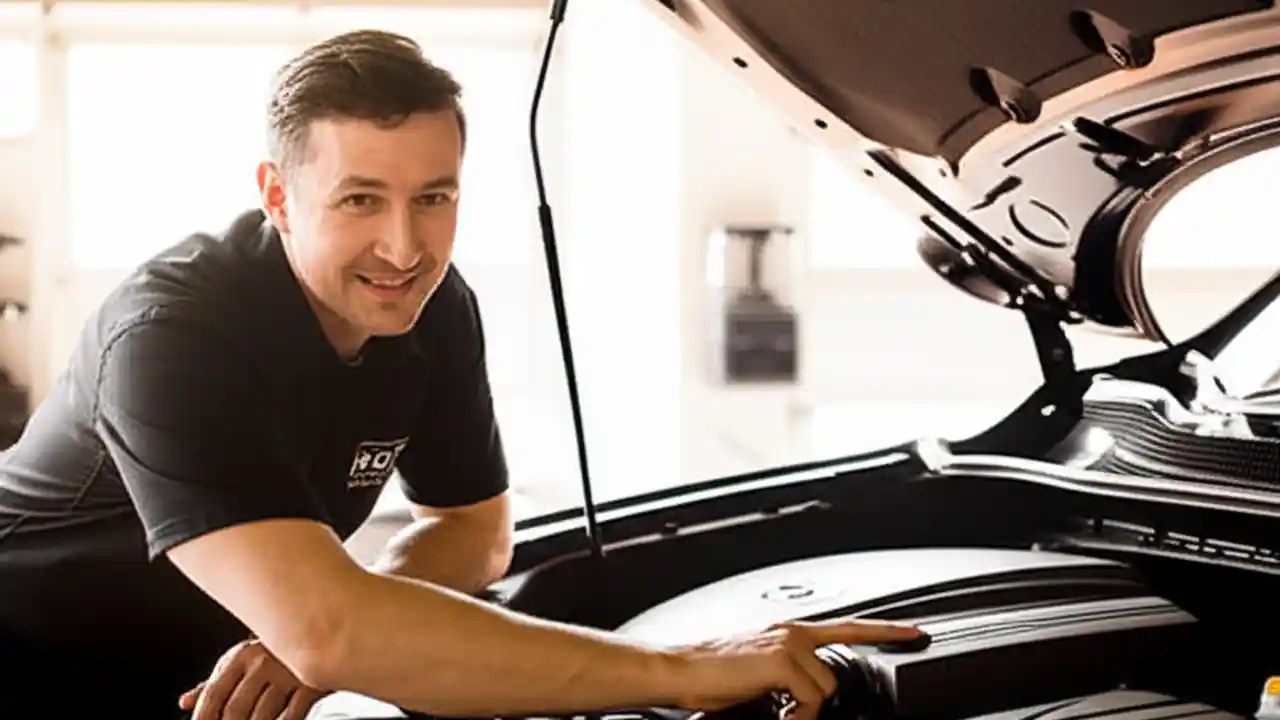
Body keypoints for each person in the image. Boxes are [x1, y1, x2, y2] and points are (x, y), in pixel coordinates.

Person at [0, 29, 922, 720]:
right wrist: (687, 669)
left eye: (433, 198)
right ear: (279, 197)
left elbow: (475, 533)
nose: (405, 248)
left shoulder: (433, 308)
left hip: (198, 691)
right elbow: (330, 629)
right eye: (361, 199)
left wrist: (327, 618)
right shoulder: (173, 335)